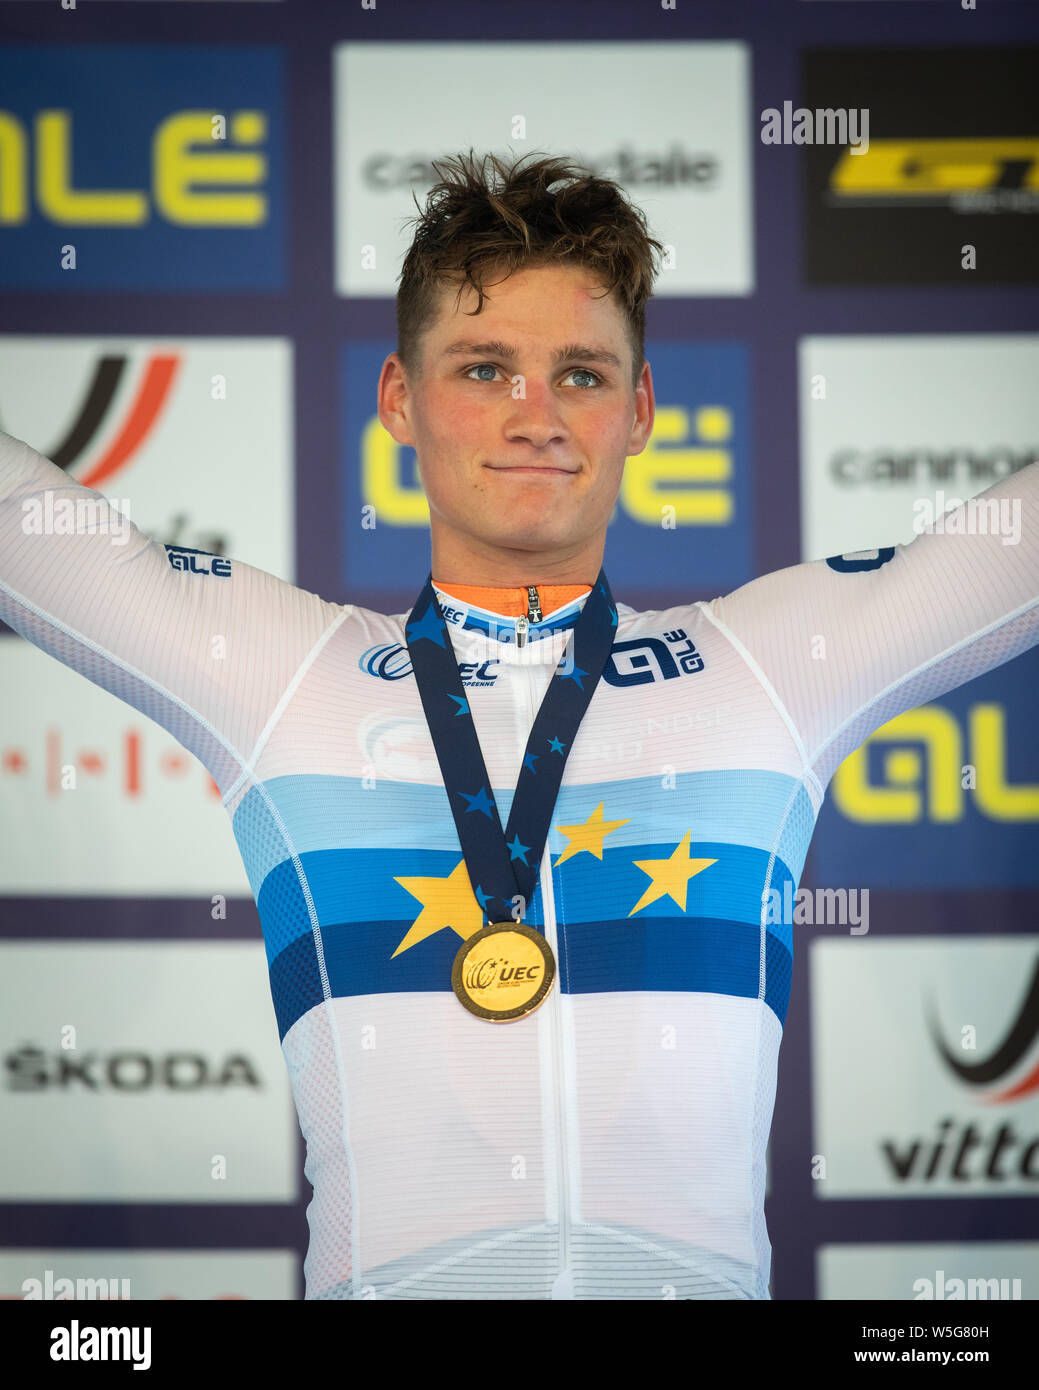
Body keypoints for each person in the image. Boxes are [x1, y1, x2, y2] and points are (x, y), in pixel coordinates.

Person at [1, 151, 1037, 1301]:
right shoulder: (281, 673)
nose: (533, 414)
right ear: (398, 397)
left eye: (582, 375)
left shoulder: (766, 665)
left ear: (640, 410)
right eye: (484, 367)